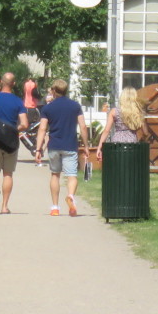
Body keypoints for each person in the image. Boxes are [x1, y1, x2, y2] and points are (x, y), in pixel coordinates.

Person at [37, 79, 89, 217]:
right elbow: (83, 126)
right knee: (71, 175)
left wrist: (38, 149)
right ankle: (71, 196)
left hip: (54, 145)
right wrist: (86, 145)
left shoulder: (48, 108)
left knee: (55, 175)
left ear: (54, 91)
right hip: (70, 145)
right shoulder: (75, 106)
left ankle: (55, 207)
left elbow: (42, 128)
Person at [0, 72, 27, 214]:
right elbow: (24, 124)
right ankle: (4, 206)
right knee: (8, 174)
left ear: (1, 82)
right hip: (11, 142)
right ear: (13, 84)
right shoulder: (18, 101)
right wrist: (14, 129)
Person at [95, 87, 147, 162]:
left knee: (117, 165)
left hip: (117, 141)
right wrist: (142, 138)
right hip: (132, 141)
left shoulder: (114, 111)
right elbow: (145, 132)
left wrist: (99, 147)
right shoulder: (138, 112)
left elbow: (106, 131)